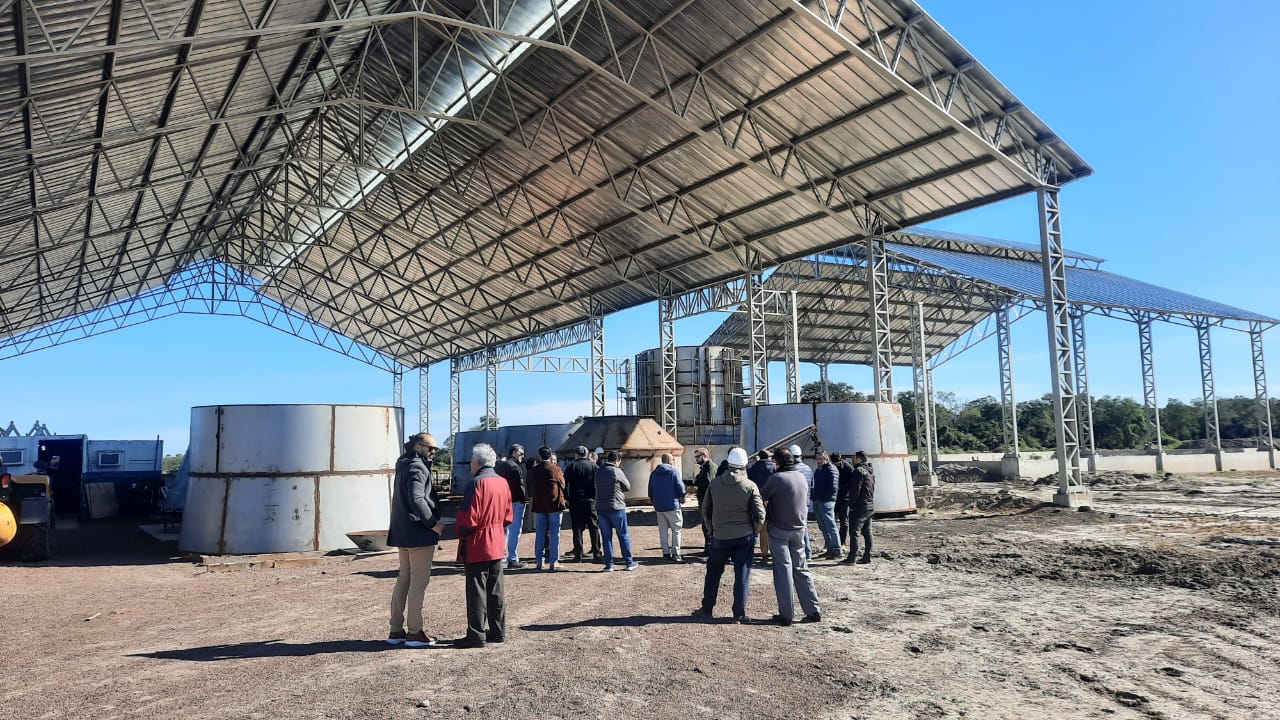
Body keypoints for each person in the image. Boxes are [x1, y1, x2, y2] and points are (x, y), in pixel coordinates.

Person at [385, 432, 445, 647]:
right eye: (431, 448)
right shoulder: (417, 467)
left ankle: (395, 630)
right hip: (419, 533)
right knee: (418, 582)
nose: (434, 452)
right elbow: (417, 498)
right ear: (418, 447)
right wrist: (432, 524)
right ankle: (414, 632)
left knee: (404, 579)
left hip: (403, 532)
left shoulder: (403, 463)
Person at [693, 447, 764, 623]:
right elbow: (760, 514)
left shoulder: (715, 484)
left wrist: (711, 530)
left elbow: (705, 510)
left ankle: (707, 609)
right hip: (744, 537)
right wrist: (754, 530)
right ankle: (738, 614)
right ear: (744, 466)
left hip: (720, 537)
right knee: (742, 575)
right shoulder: (750, 486)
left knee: (713, 573)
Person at [453, 443, 513, 649]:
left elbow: (468, 519)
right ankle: (498, 631)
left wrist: (459, 530)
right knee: (496, 590)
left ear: (477, 462)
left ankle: (476, 634)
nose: (470, 463)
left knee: (476, 590)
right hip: (497, 541)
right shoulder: (502, 482)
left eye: (471, 460)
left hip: (478, 543)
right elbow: (508, 516)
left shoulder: (476, 483)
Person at [760, 447, 821, 626]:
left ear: (777, 462)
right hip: (799, 529)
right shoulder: (801, 476)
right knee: (801, 569)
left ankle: (786, 614)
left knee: (783, 571)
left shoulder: (776, 479)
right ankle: (813, 610)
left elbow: (762, 497)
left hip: (779, 529)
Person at [595, 450, 637, 571]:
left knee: (606, 537)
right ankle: (629, 562)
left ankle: (609, 565)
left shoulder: (599, 471)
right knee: (623, 535)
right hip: (616, 507)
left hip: (601, 508)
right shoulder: (617, 471)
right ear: (617, 460)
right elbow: (627, 486)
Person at [528, 445, 567, 571]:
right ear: (550, 456)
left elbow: (531, 485)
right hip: (554, 505)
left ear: (539, 456)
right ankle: (553, 561)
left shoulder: (534, 470)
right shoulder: (555, 469)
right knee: (555, 534)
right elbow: (563, 485)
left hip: (540, 505)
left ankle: (539, 561)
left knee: (540, 533)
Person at [563, 445, 602, 562]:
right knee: (594, 527)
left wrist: (567, 498)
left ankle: (578, 555)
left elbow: (565, 485)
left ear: (576, 455)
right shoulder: (594, 466)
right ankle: (597, 553)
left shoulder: (571, 466)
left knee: (577, 528)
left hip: (575, 501)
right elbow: (598, 484)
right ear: (586, 454)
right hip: (591, 501)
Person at [495, 444, 528, 569]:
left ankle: (501, 557)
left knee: (504, 530)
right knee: (515, 531)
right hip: (515, 502)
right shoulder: (515, 467)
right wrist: (524, 499)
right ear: (514, 452)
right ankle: (513, 558)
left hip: (502, 502)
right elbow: (520, 487)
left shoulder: (499, 466)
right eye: (520, 453)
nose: (522, 456)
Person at [648, 453, 686, 562]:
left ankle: (665, 553)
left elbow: (650, 490)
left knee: (663, 530)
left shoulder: (654, 473)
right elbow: (680, 488)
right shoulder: (674, 471)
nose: (674, 461)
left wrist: (654, 501)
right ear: (670, 460)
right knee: (676, 530)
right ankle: (676, 553)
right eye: (673, 459)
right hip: (672, 505)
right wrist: (682, 496)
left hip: (659, 506)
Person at [843, 451, 876, 565]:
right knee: (867, 532)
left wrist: (851, 505)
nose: (852, 460)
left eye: (854, 458)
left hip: (860, 506)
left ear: (859, 459)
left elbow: (855, 490)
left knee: (854, 532)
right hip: (870, 505)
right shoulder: (871, 471)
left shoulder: (858, 471)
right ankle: (868, 556)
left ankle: (852, 557)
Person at [746, 449, 775, 563]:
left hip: (757, 501)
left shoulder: (752, 468)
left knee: (762, 529)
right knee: (773, 529)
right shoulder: (775, 468)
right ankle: (775, 553)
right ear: (769, 457)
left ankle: (764, 555)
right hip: (773, 502)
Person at [811, 451, 841, 559]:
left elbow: (832, 487)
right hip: (819, 500)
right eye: (817, 459)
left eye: (820, 459)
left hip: (826, 501)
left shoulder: (830, 469)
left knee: (830, 526)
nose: (818, 461)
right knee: (823, 526)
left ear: (826, 458)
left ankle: (837, 550)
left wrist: (823, 499)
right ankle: (830, 548)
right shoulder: (820, 470)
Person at [790, 444, 814, 560]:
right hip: (806, 501)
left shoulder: (793, 469)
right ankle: (808, 552)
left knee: (798, 529)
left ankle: (806, 553)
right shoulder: (808, 468)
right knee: (804, 527)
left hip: (796, 502)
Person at [832, 452, 854, 548]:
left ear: (841, 460)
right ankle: (830, 543)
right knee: (831, 521)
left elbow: (852, 483)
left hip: (844, 498)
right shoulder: (831, 467)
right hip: (833, 498)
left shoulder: (848, 468)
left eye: (837, 463)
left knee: (844, 522)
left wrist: (842, 487)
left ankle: (842, 542)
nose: (836, 465)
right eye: (834, 463)